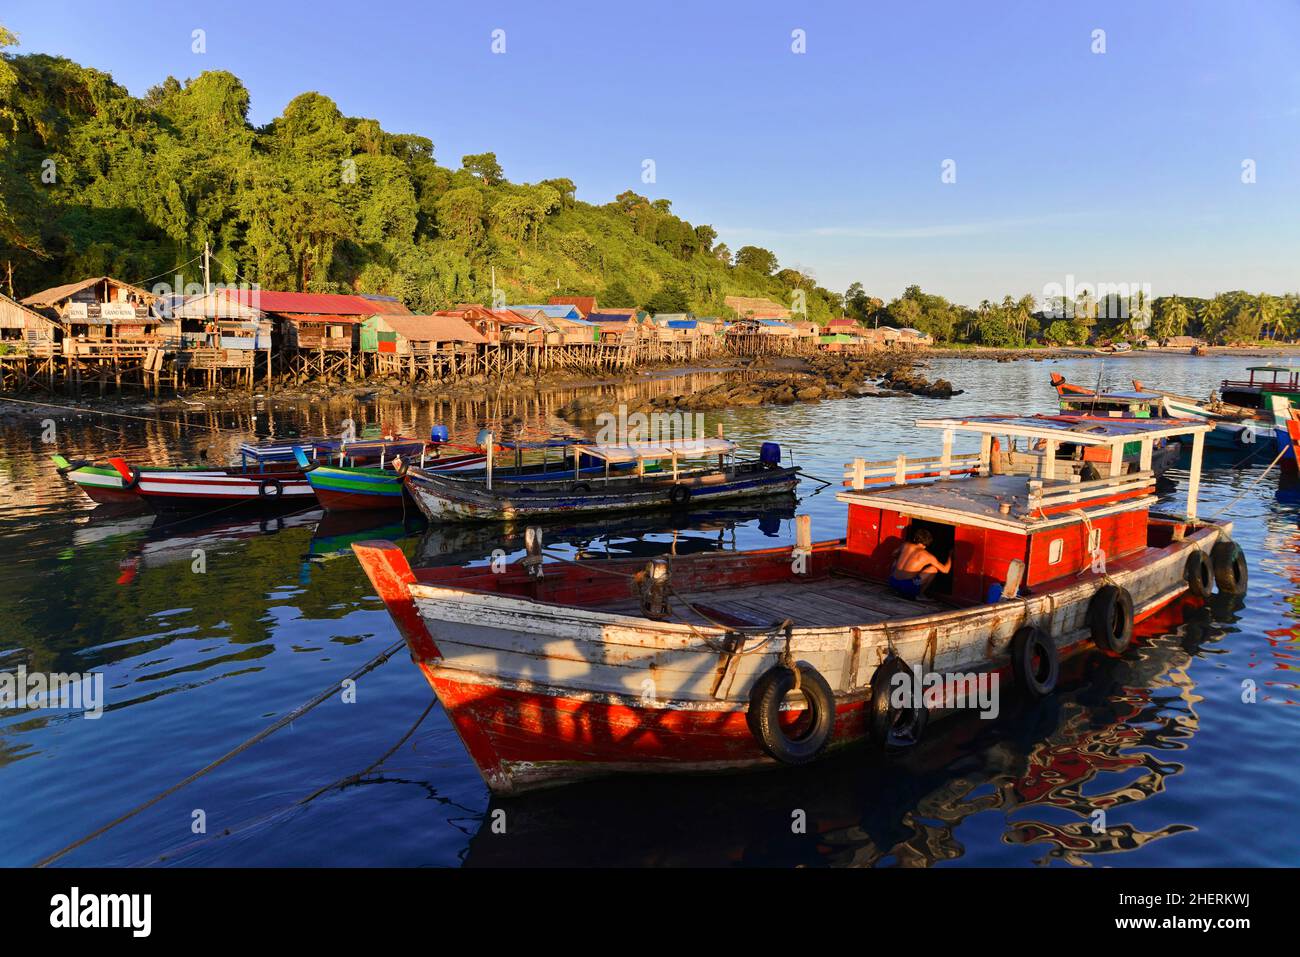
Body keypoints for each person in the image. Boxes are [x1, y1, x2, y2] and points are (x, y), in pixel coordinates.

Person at [888, 526, 951, 599]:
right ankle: (920, 595)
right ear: (928, 543)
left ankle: (896, 589)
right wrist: (950, 555)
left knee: (896, 559)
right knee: (933, 569)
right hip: (907, 588)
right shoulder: (928, 556)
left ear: (915, 539)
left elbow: (893, 554)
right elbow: (945, 570)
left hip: (892, 582)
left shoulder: (905, 545)